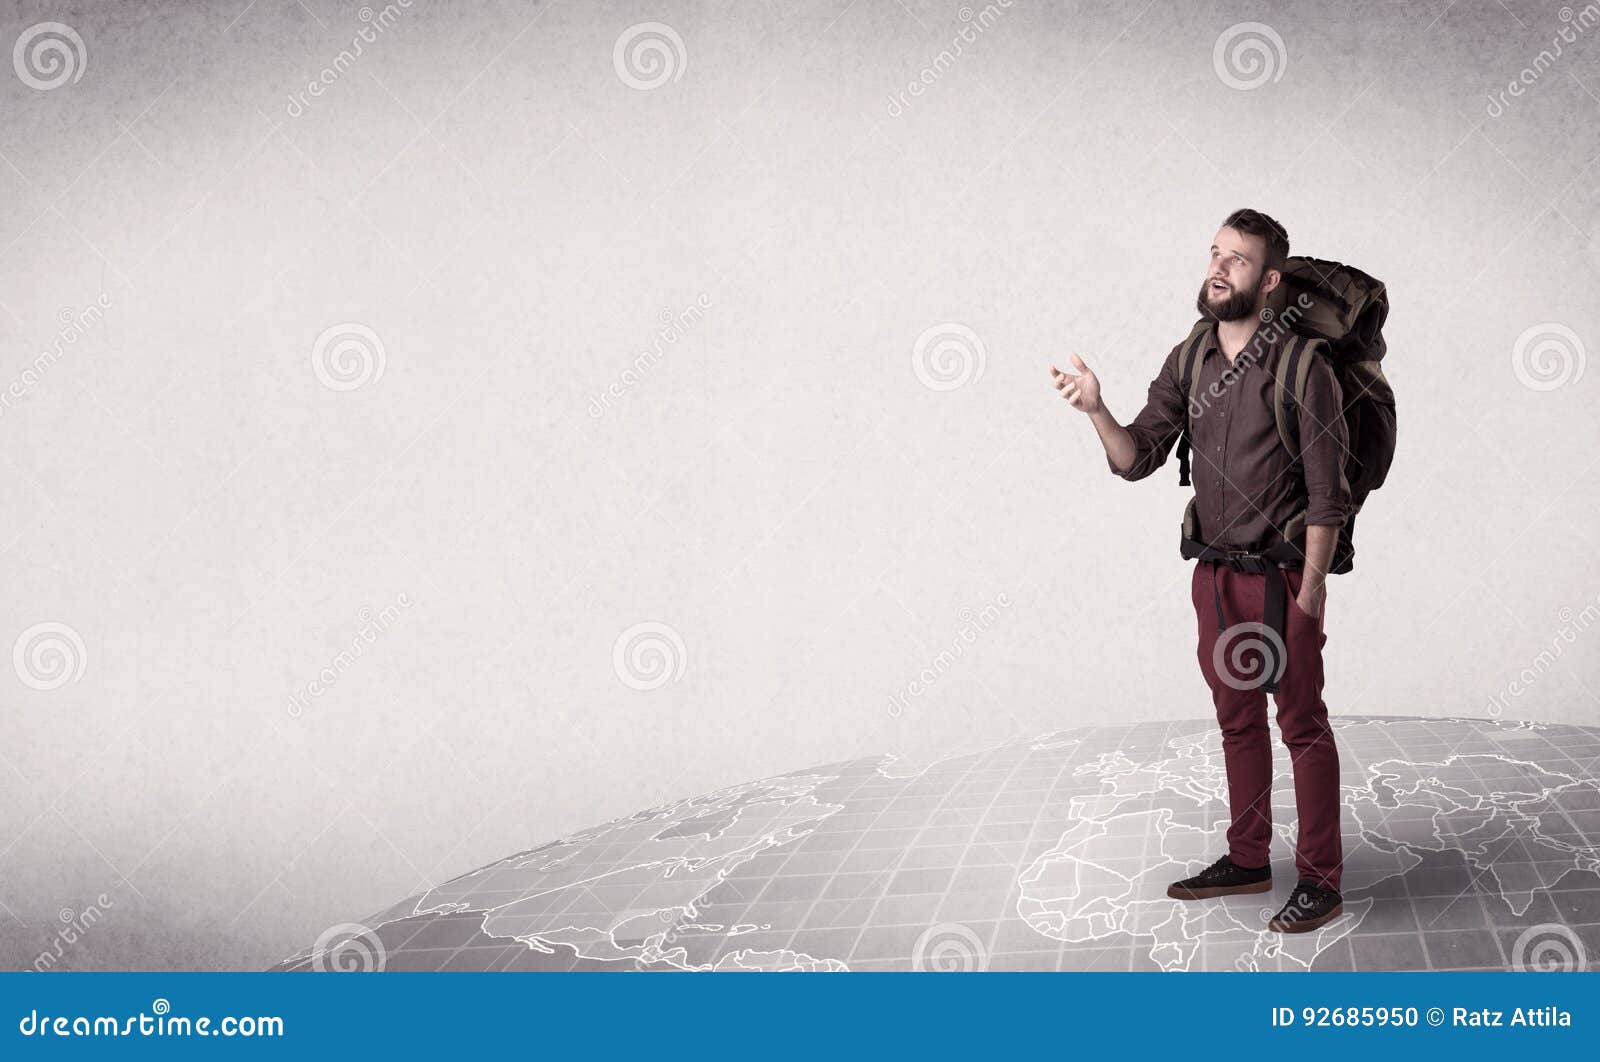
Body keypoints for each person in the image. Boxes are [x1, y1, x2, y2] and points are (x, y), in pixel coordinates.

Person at [1049, 209, 1351, 933]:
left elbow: (1326, 495)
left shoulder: (1302, 367)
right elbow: (1135, 459)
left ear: (1269, 279)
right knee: (1236, 721)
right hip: (1214, 575)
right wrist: (1096, 409)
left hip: (1283, 579)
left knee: (1301, 724)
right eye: (1214, 253)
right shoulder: (1190, 357)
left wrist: (1310, 593)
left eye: (1237, 260)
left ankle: (1321, 880)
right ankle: (1248, 860)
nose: (1218, 267)